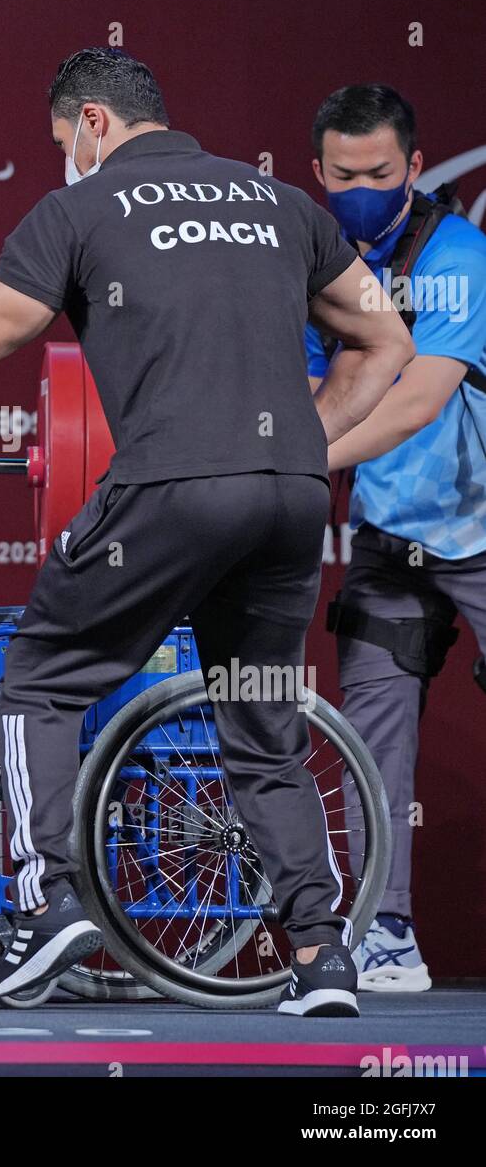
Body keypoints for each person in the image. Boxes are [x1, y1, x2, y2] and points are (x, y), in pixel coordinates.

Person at [0, 47, 414, 1014]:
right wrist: (296, 442)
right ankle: (323, 957)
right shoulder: (280, 203)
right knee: (262, 725)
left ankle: (46, 905)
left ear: (91, 125)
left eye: (58, 142)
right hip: (288, 498)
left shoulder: (78, 211)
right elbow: (388, 342)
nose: (60, 159)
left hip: (167, 489)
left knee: (38, 674)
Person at [306, 84, 486, 992]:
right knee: (370, 739)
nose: (361, 187)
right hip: (386, 541)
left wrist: (298, 459)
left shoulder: (458, 255)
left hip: (484, 531)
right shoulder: (324, 265)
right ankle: (382, 934)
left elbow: (414, 400)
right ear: (317, 172)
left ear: (414, 168)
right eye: (344, 174)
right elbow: (315, 395)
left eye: (380, 172)